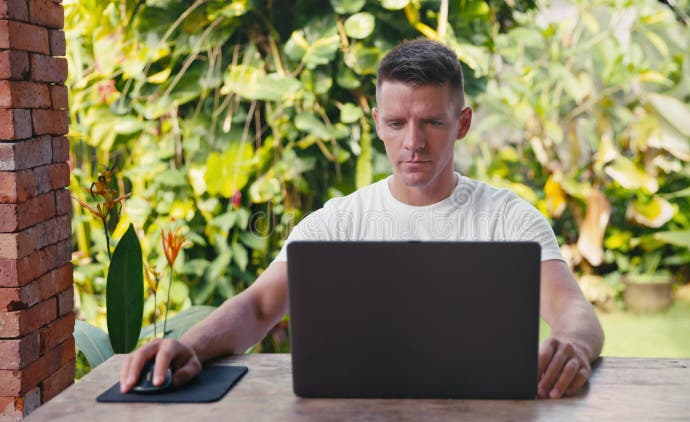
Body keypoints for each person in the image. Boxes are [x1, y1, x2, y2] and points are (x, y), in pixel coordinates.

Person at [120, 39, 604, 400]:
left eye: (432, 122)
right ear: (377, 123)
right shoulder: (337, 223)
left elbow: (575, 312)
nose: (413, 142)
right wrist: (190, 346)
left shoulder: (508, 218)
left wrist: (572, 345)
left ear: (463, 123)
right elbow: (259, 307)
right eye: (396, 124)